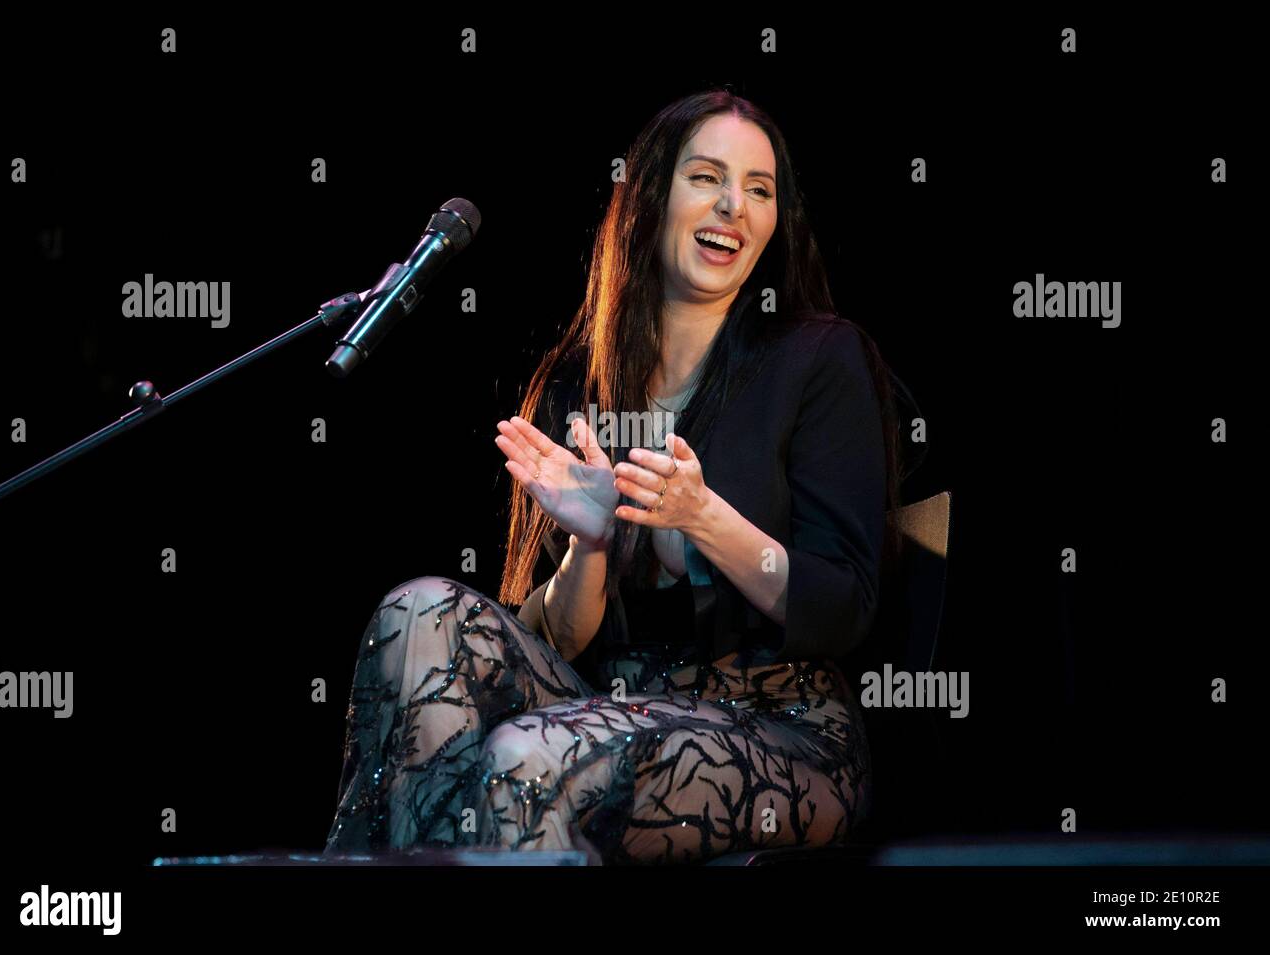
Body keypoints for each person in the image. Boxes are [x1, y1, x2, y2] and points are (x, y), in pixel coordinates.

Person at [323, 89, 925, 865]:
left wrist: (703, 516)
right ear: (652, 195)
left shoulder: (818, 358)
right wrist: (592, 545)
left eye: (760, 188)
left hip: (777, 720)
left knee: (524, 756)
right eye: (707, 177)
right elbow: (552, 641)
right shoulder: (577, 379)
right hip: (601, 697)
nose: (734, 206)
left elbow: (843, 606)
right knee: (418, 613)